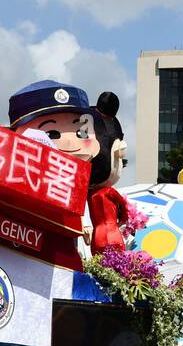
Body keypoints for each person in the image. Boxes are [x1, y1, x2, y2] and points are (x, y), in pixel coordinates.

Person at [8, 81, 127, 254]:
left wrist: (84, 223)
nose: (71, 142)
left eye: (80, 132)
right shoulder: (20, 174)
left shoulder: (80, 182)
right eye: (52, 133)